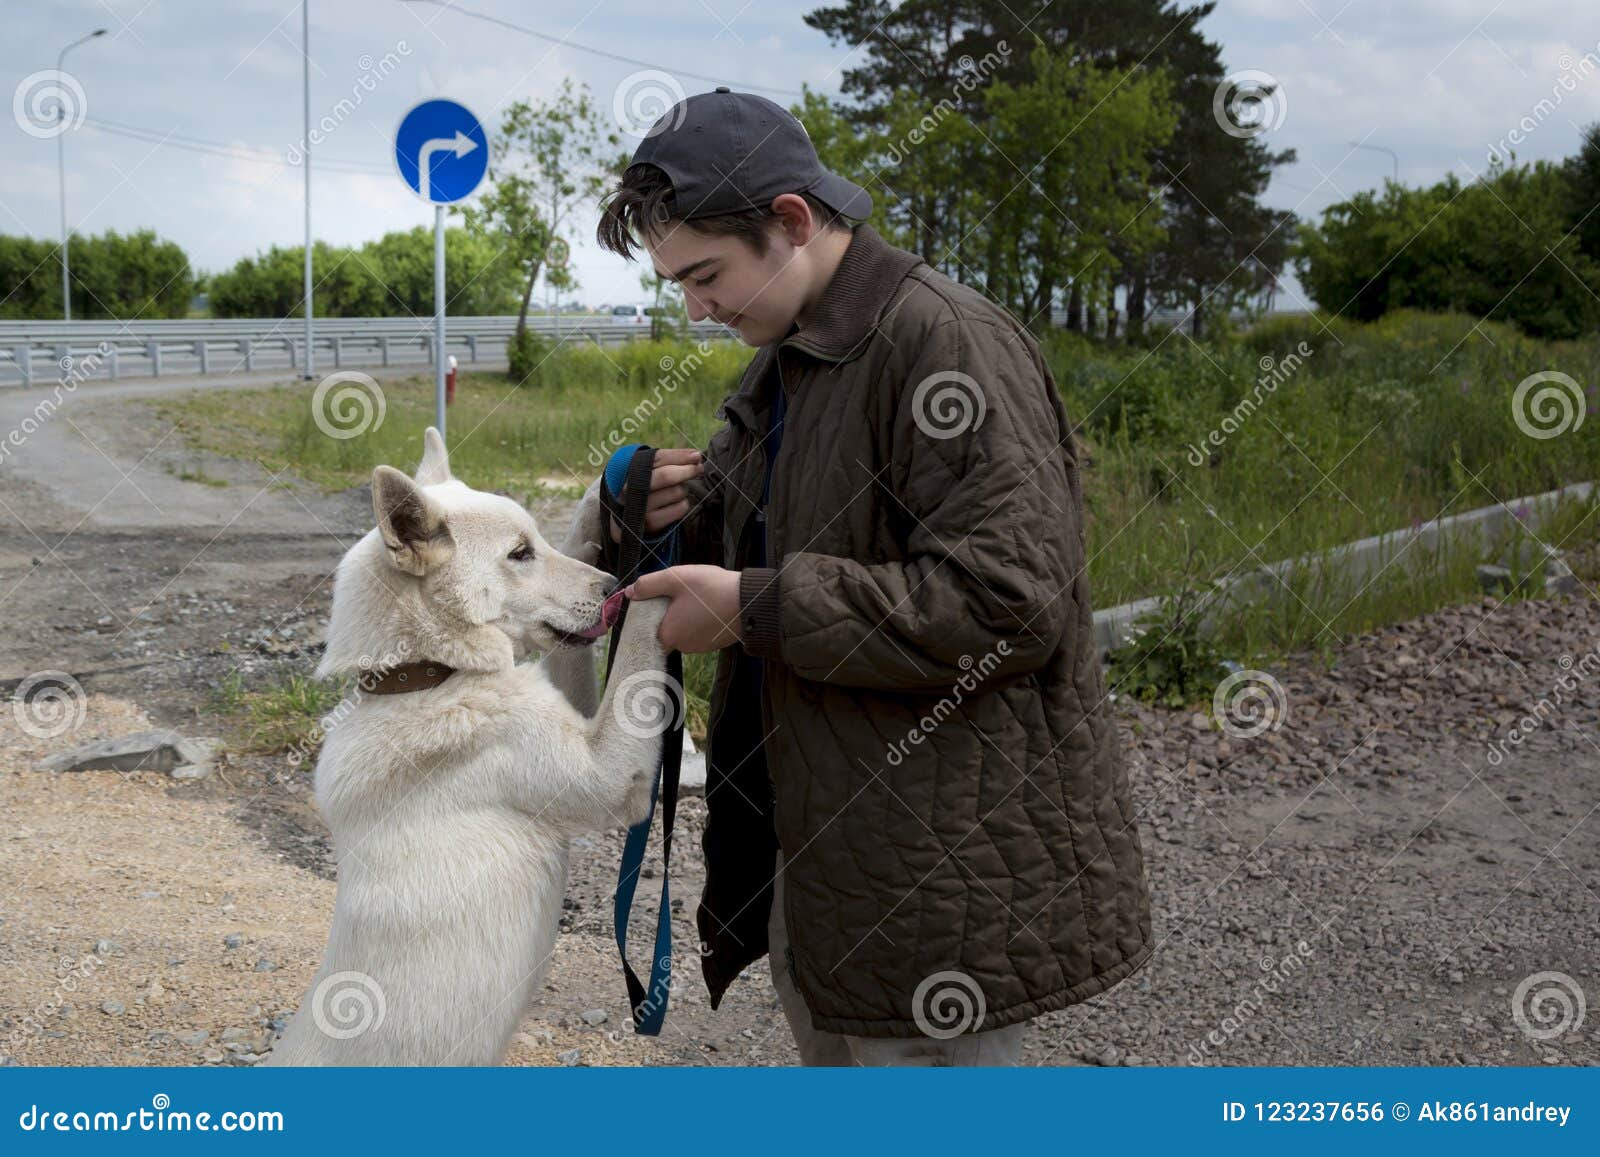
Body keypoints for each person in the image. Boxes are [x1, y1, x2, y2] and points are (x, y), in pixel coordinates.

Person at [590, 87, 1152, 1066]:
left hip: (940, 880)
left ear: (792, 220)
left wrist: (755, 610)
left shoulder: (946, 342)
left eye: (706, 275)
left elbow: (1009, 603)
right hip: (825, 865)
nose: (695, 308)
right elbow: (749, 531)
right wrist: (639, 508)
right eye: (678, 282)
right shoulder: (788, 352)